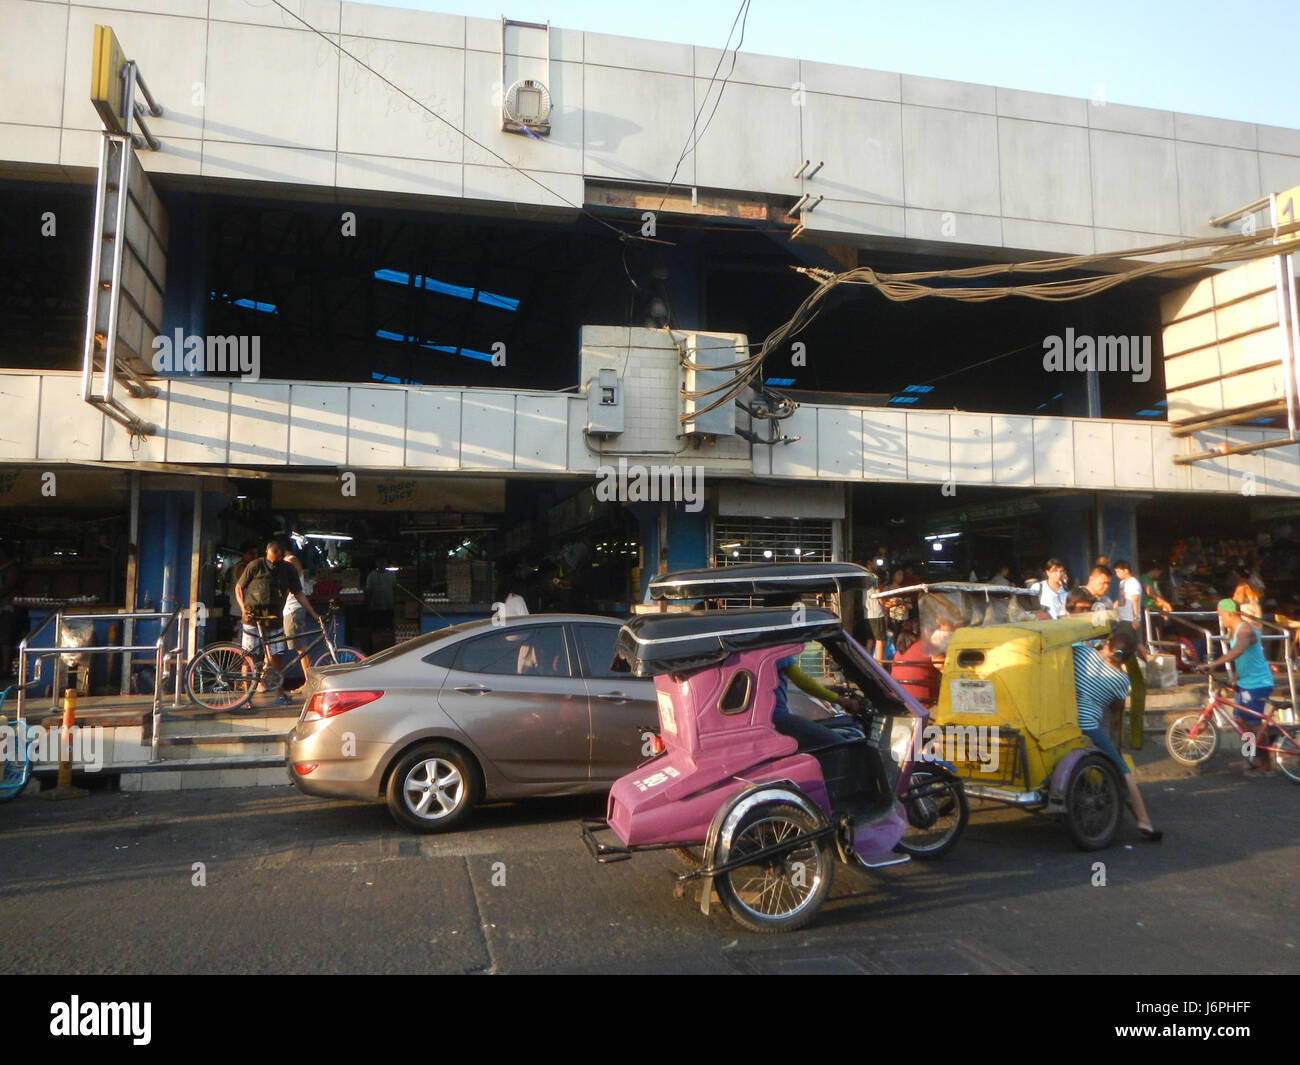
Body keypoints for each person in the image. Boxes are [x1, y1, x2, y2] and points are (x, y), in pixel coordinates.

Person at [1072, 626, 1161, 841]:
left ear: (1108, 643)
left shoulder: (1082, 654)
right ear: (1129, 657)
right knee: (1121, 768)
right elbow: (1117, 708)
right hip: (1088, 726)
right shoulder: (1121, 680)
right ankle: (1143, 820)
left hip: (1062, 721)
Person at [1196, 599, 1276, 777]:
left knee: (1253, 725)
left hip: (1257, 684)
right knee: (1240, 721)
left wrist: (1213, 664)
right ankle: (1250, 760)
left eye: (1220, 615)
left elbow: (1239, 650)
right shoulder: (1235, 630)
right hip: (1245, 682)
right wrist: (1236, 678)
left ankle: (1265, 764)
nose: (1220, 619)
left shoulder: (1245, 630)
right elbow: (1245, 659)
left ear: (1229, 613)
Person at [235, 540, 321, 701]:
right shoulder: (255, 565)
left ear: (282, 556)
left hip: (274, 620)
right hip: (252, 619)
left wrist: (314, 614)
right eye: (270, 560)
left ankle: (278, 693)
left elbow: (299, 594)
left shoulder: (288, 569)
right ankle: (246, 696)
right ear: (266, 553)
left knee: (277, 656)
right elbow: (239, 587)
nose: (272, 564)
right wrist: (242, 608)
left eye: (276, 561)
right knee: (250, 657)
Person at [890, 617, 956, 708]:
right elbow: (948, 672)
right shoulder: (928, 647)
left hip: (900, 703)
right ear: (925, 632)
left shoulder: (900, 650)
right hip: (924, 705)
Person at [282, 552, 315, 691]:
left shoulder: (291, 561)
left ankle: (309, 681)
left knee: (300, 647)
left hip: (293, 609)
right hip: (289, 610)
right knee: (274, 645)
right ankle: (265, 681)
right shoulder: (288, 562)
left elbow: (291, 587)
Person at [365, 557, 397, 652]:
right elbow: (368, 591)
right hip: (376, 606)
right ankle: (377, 649)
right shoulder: (372, 576)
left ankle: (389, 648)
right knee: (377, 628)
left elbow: (395, 588)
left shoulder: (391, 575)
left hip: (389, 605)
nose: (382, 564)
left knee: (388, 627)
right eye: (380, 562)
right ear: (376, 563)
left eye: (384, 562)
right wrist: (369, 604)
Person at [0, 543, 21, 680]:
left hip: (7, 607)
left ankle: (5, 668)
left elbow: (7, 587)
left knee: (5, 639)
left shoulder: (11, 568)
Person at [858, 563, 886, 662]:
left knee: (870, 640)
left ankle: (868, 663)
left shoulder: (862, 578)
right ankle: (879, 665)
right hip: (876, 612)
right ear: (869, 564)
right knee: (879, 640)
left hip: (867, 613)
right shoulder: (874, 577)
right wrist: (884, 606)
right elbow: (878, 595)